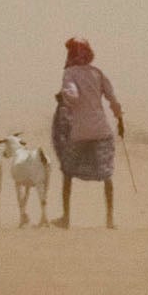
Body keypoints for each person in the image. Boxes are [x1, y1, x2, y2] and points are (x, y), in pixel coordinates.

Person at [51, 37, 124, 228]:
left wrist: (64, 96)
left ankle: (66, 218)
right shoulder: (98, 73)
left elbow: (72, 97)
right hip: (102, 130)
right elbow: (113, 99)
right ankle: (110, 219)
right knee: (107, 174)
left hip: (80, 132)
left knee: (67, 171)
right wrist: (119, 118)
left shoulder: (69, 73)